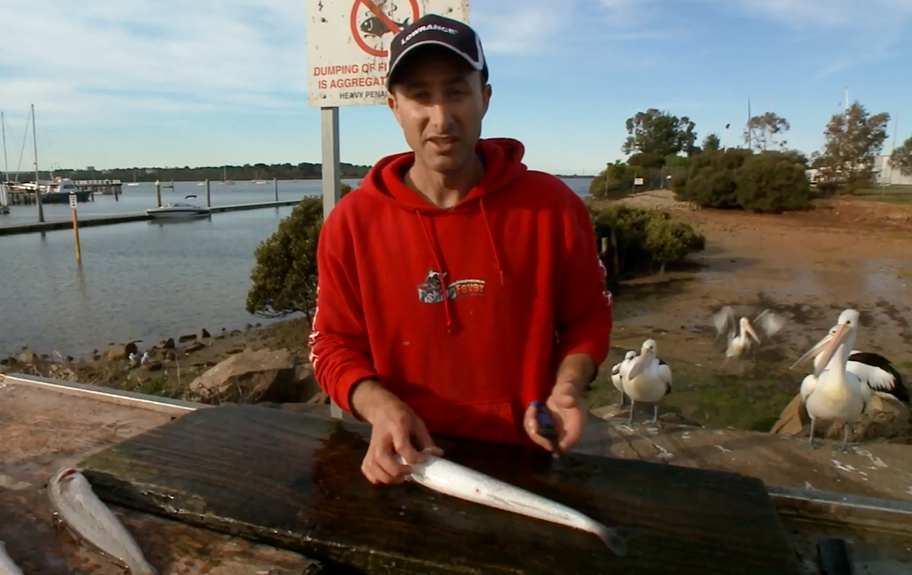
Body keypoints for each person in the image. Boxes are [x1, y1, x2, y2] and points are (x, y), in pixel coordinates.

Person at [308, 13, 612, 485]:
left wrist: (567, 387)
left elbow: (588, 316)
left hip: (531, 459)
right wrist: (378, 404)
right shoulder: (351, 223)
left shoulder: (553, 207)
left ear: (484, 98)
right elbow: (331, 344)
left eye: (456, 91)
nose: (441, 117)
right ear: (393, 106)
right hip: (407, 462)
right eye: (419, 95)